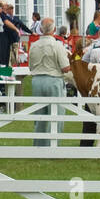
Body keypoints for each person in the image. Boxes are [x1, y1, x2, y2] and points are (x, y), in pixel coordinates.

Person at [27, 17, 72, 146]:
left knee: (39, 116)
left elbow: (31, 67)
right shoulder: (57, 45)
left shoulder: (34, 45)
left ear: (40, 29)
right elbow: (65, 68)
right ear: (54, 30)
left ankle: (39, 145)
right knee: (56, 115)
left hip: (37, 81)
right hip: (53, 80)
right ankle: (53, 145)